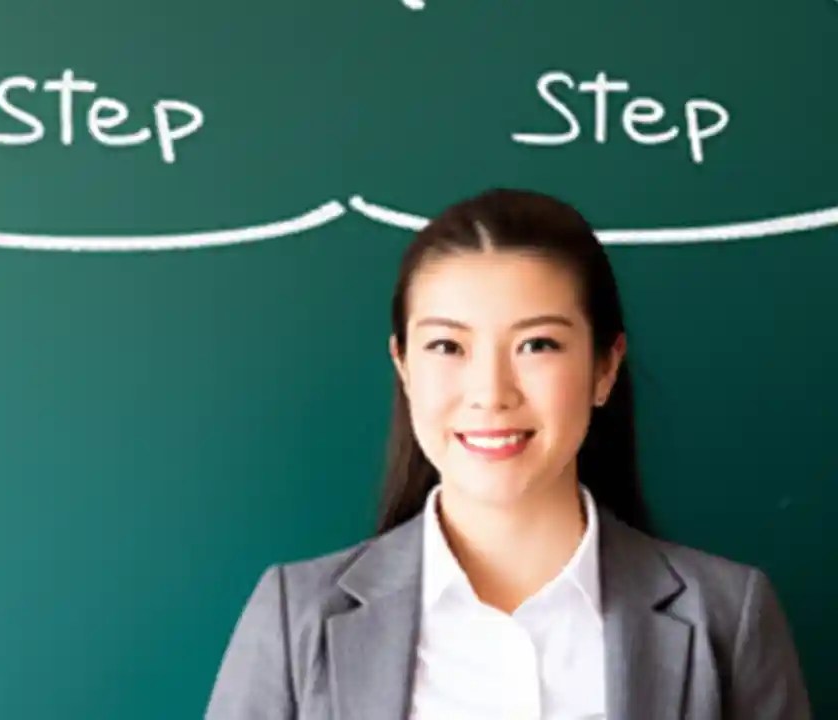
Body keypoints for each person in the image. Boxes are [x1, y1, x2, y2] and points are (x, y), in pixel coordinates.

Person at [203, 188, 811, 719]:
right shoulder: (296, 615)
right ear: (404, 366)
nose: (491, 393)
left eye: (537, 344)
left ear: (604, 367)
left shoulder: (727, 616)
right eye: (448, 346)